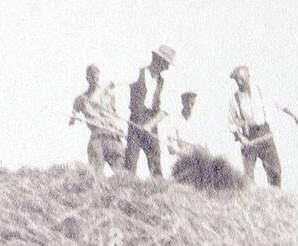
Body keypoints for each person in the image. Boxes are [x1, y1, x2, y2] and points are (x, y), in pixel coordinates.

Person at [227, 64, 298, 188]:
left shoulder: (261, 91)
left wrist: (296, 117)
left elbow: (282, 104)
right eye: (237, 80)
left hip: (264, 135)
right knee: (248, 178)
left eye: (242, 79)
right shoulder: (234, 99)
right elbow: (231, 123)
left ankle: (276, 199)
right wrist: (240, 137)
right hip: (248, 139)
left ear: (248, 76)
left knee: (275, 172)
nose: (240, 82)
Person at [124, 45, 175, 177]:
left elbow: (164, 111)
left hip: (151, 124)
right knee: (130, 163)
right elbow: (113, 82)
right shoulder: (137, 73)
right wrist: (98, 95)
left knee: (155, 162)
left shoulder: (162, 82)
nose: (167, 67)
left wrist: (149, 125)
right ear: (158, 60)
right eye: (166, 64)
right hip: (135, 122)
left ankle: (158, 191)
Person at [69, 64, 125, 177]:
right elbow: (73, 115)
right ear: (87, 78)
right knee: (96, 175)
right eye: (92, 77)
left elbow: (114, 113)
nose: (95, 80)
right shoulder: (81, 99)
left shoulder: (108, 92)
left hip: (112, 135)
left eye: (97, 77)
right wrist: (74, 118)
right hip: (97, 137)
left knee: (121, 174)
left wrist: (118, 128)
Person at [165, 91, 203, 173]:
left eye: (192, 103)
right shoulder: (174, 120)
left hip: (194, 160)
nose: (189, 106)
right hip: (179, 160)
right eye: (187, 103)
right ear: (182, 103)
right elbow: (170, 147)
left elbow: (201, 144)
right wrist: (180, 152)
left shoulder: (198, 121)